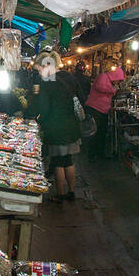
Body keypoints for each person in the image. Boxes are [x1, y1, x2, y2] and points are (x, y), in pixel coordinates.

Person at [33, 65, 85, 200]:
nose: (39, 73)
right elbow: (82, 98)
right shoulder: (70, 78)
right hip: (71, 125)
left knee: (57, 162)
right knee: (68, 160)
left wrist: (38, 121)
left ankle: (60, 194)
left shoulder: (48, 83)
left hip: (56, 127)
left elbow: (44, 109)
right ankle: (72, 192)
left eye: (40, 69)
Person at [86, 58, 125, 159]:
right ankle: (92, 155)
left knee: (102, 132)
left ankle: (100, 154)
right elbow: (101, 87)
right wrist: (114, 90)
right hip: (95, 109)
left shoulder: (109, 80)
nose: (118, 82)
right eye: (118, 80)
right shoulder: (103, 77)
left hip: (103, 110)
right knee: (94, 132)